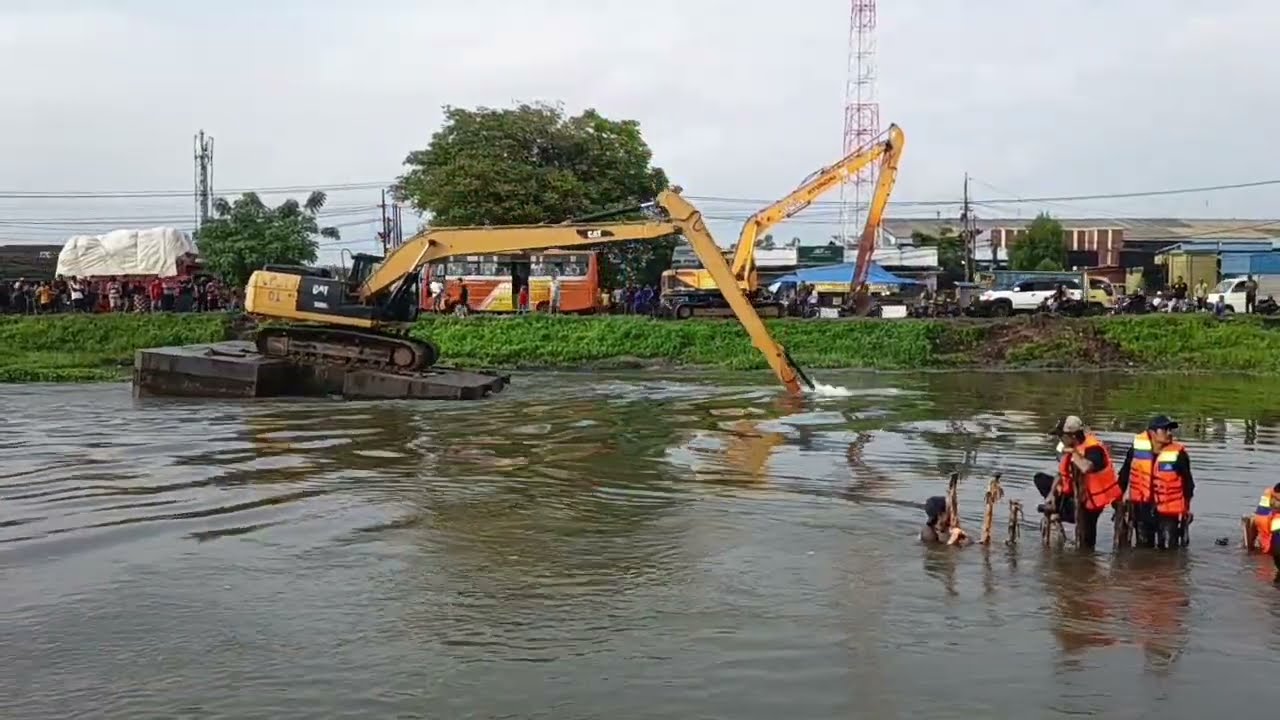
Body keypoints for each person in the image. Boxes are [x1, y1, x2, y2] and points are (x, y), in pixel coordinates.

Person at [1040, 415, 1121, 550]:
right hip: (1074, 494)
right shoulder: (1068, 446)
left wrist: (1072, 452)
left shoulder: (1094, 449)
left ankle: (1087, 562)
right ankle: (1057, 511)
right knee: (1040, 479)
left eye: (1061, 436)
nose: (1059, 439)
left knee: (1086, 543)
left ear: (1072, 436)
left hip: (1092, 501)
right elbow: (1061, 473)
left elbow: (1086, 467)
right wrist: (1051, 495)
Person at [1117, 415, 1194, 549]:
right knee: (1143, 549)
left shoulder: (1179, 455)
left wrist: (1186, 510)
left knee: (1169, 552)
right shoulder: (1136, 450)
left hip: (1168, 511)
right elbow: (1124, 475)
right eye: (1165, 429)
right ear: (1152, 432)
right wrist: (1117, 501)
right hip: (1142, 508)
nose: (1169, 433)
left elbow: (1188, 484)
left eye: (1170, 430)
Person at [1245, 483, 1280, 555]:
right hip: (1271, 551)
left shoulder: (1268, 494)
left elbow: (1255, 518)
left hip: (1262, 527)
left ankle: (1249, 547)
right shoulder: (1277, 519)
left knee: (1253, 518)